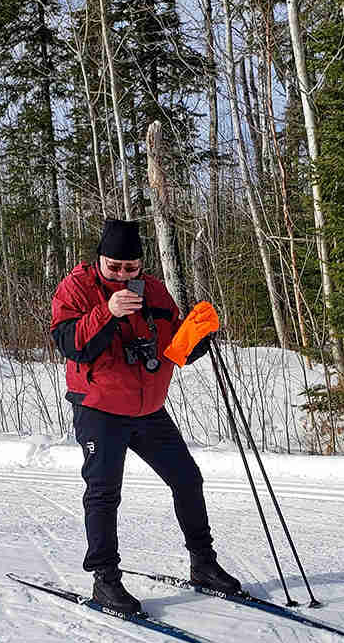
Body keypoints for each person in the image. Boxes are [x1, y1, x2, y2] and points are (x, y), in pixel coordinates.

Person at [50, 218, 241, 615]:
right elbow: (71, 345)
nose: (122, 275)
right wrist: (108, 311)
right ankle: (105, 580)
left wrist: (199, 334)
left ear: (141, 264)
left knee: (187, 479)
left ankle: (203, 563)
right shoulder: (77, 288)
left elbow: (174, 349)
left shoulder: (153, 289)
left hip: (148, 408)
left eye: (130, 268)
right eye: (114, 267)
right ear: (100, 259)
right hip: (99, 407)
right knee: (104, 493)